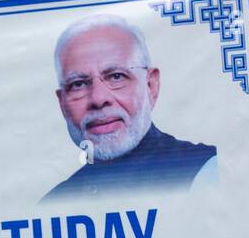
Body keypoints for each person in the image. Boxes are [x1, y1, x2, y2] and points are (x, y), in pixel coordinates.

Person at [42, 14, 216, 203]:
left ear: (151, 86)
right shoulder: (54, 204)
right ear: (62, 104)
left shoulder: (207, 172)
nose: (99, 99)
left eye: (116, 76)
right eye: (78, 84)